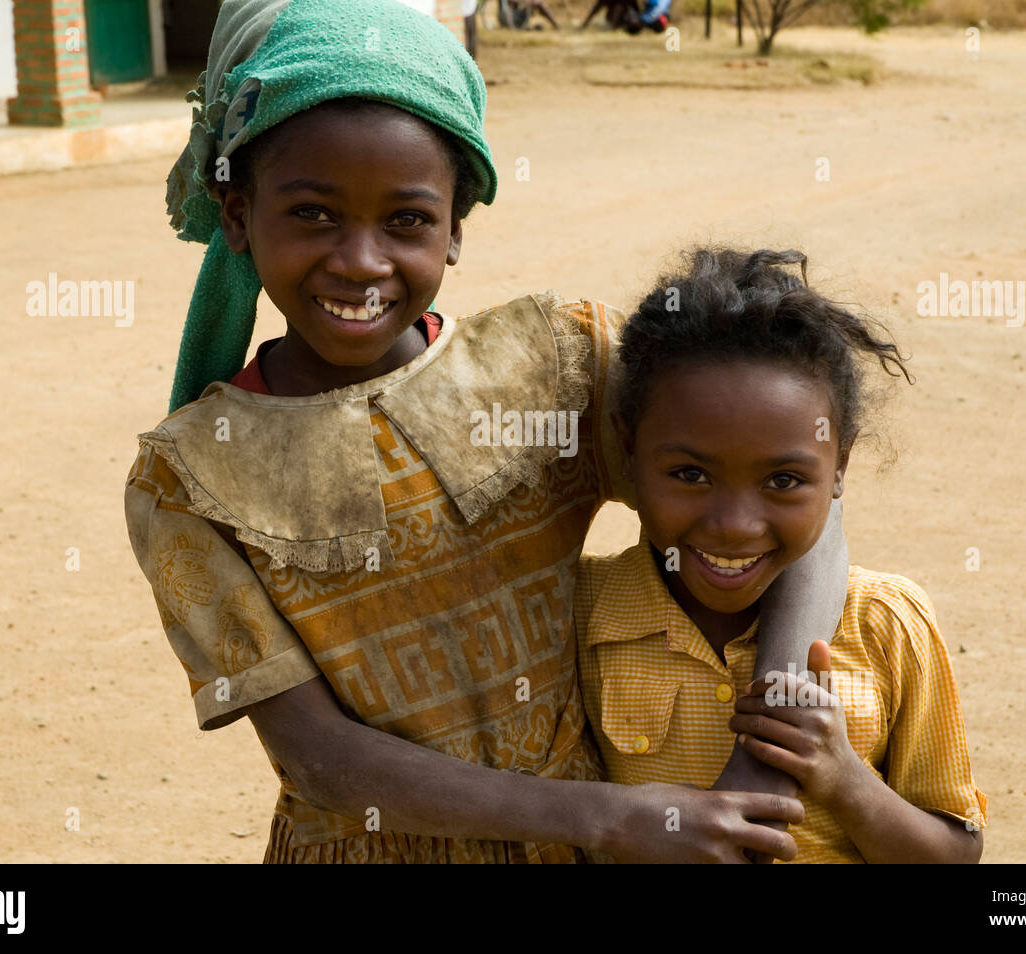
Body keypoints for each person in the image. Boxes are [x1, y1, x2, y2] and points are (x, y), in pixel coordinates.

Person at [126, 0, 843, 863]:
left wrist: (773, 734)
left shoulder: (557, 361)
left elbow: (800, 497)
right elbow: (319, 758)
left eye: (408, 220)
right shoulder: (192, 477)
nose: (361, 260)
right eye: (313, 213)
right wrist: (604, 818)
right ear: (237, 215)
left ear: (456, 226)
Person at [577, 247, 989, 862]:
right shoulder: (582, 613)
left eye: (783, 481)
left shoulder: (887, 622)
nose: (736, 526)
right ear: (630, 453)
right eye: (690, 474)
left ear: (839, 467)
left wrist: (843, 777)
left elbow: (955, 852)